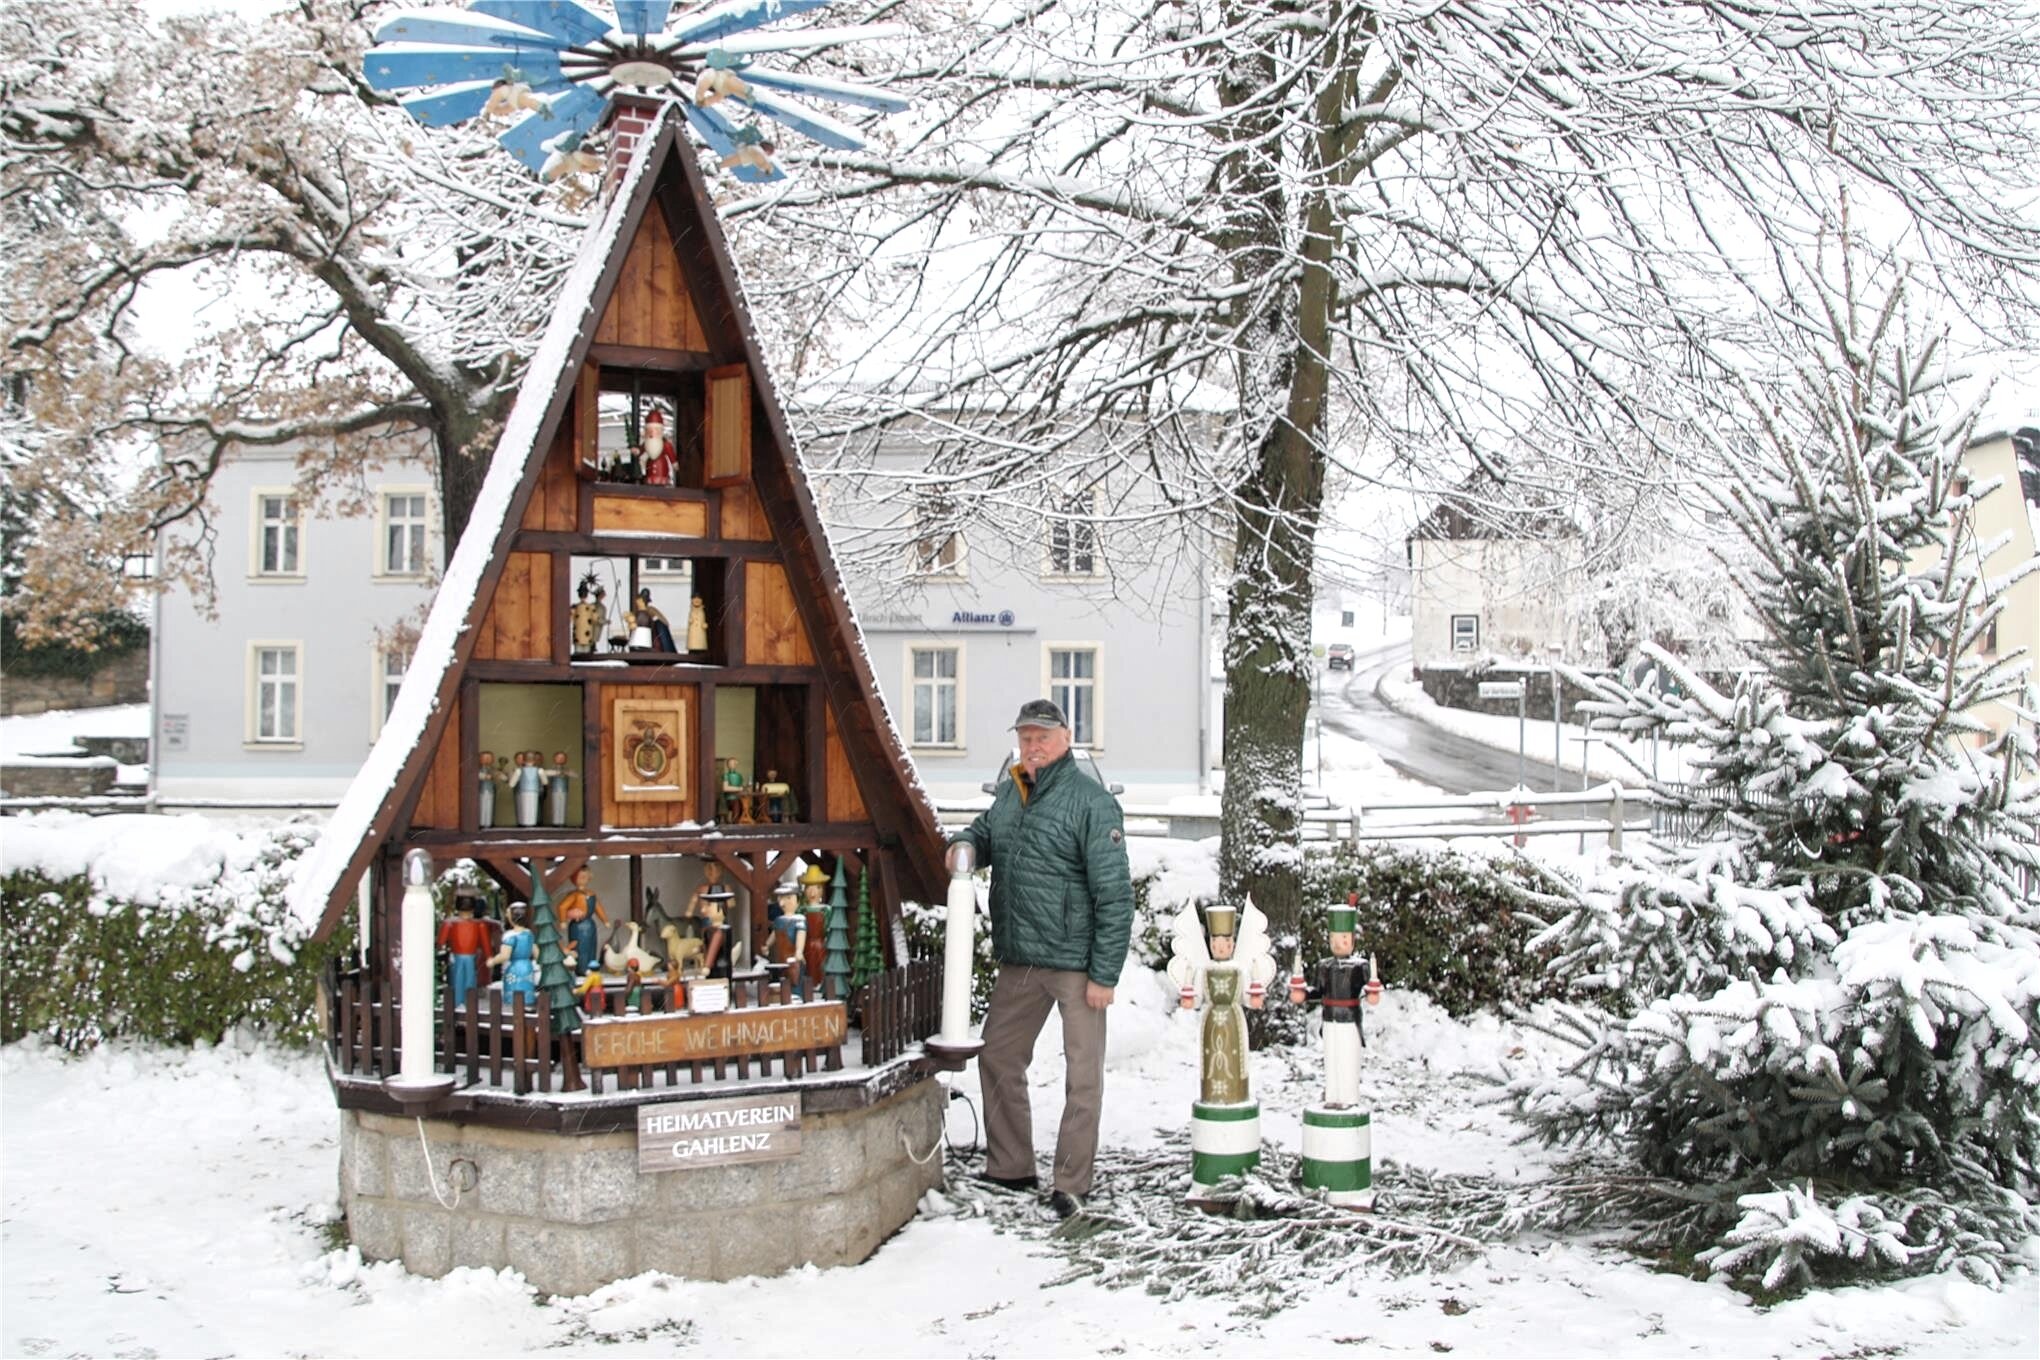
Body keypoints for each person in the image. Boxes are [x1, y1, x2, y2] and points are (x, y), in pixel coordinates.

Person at [952, 698, 1133, 1219]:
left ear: (1067, 737)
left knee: (1083, 1077)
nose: (1033, 747)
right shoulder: (1012, 792)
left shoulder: (1091, 802)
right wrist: (964, 845)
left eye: (1042, 737)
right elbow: (987, 833)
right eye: (1026, 737)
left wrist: (1104, 974)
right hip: (1022, 960)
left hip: (1076, 966)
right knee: (998, 1056)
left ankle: (1071, 1182)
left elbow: (1115, 895)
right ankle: (1011, 1166)